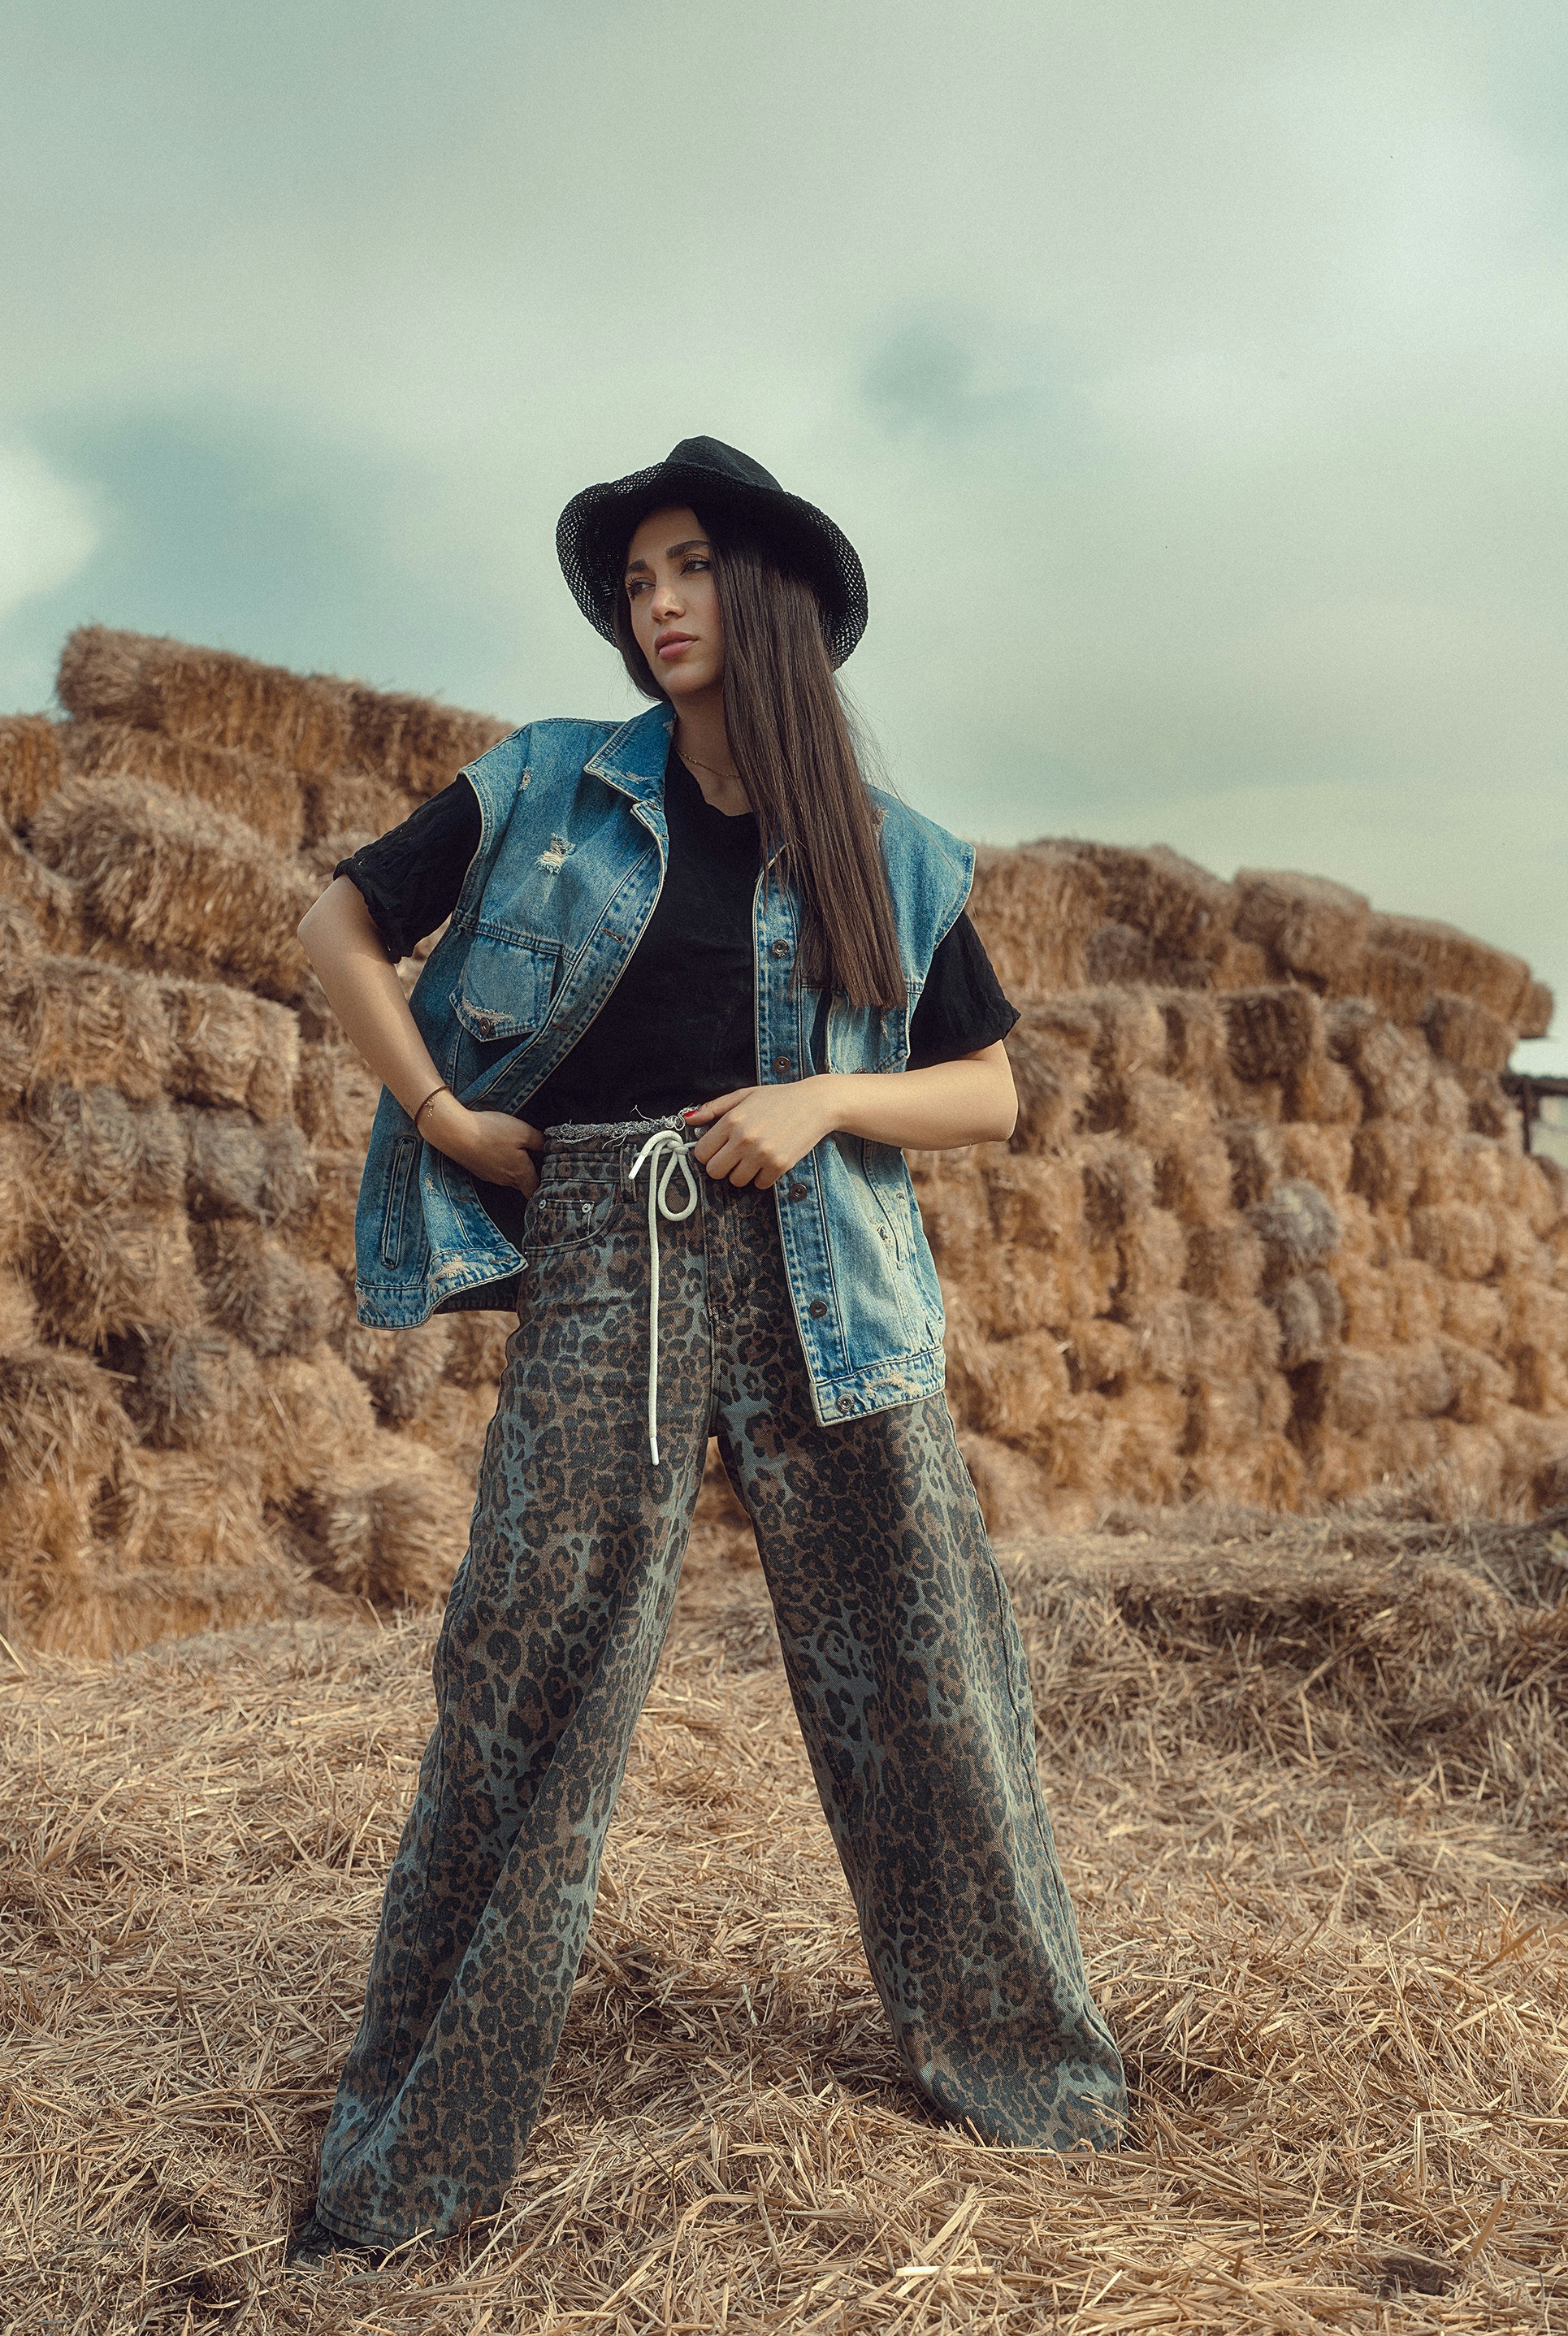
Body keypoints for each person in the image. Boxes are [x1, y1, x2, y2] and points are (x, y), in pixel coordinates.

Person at [286, 436, 1127, 2263]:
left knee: (928, 1686)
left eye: (685, 569)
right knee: (521, 1688)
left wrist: (824, 1099)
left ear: (765, 593)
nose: (655, 605)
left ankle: (1030, 2077)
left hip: (833, 1276)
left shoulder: (888, 853)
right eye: (634, 582)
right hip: (615, 1263)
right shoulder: (547, 784)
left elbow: (991, 1091)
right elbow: (336, 923)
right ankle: (412, 2158)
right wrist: (438, 1109)